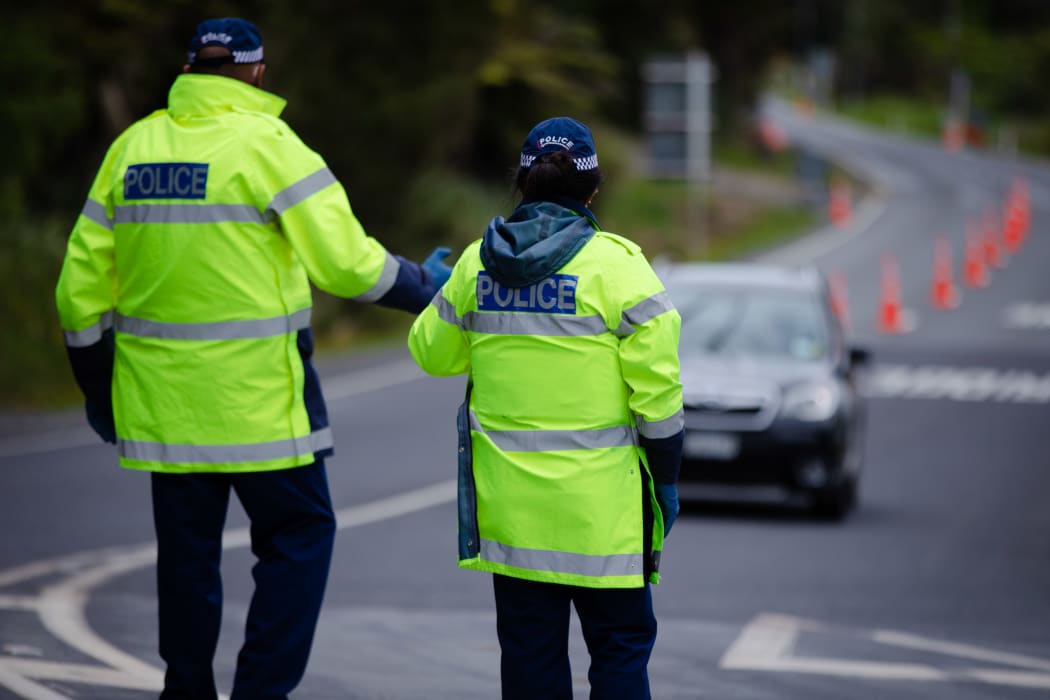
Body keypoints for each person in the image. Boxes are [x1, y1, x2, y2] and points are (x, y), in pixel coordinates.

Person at [54, 17, 452, 700]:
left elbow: (76, 295)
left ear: (188, 71)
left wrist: (98, 389)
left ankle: (185, 690)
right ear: (257, 74)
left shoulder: (132, 148)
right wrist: (430, 289)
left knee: (186, 563)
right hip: (261, 408)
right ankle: (261, 692)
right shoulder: (270, 144)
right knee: (301, 535)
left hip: (164, 413)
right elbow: (350, 266)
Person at [407, 117, 684, 699]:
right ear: (593, 190)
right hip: (603, 521)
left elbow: (432, 353)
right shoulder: (620, 268)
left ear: (523, 182)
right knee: (620, 653)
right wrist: (666, 480)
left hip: (516, 521)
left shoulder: (477, 264)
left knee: (530, 664)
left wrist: (441, 291)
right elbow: (659, 399)